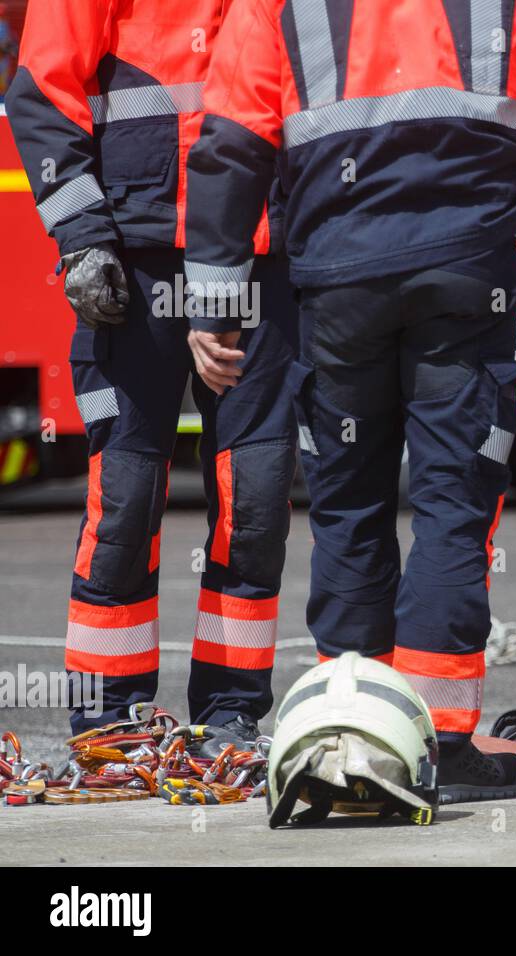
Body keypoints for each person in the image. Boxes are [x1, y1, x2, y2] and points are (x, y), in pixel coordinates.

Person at [183, 0, 516, 803]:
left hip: (335, 287)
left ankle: (353, 739)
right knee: (453, 509)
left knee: (348, 508)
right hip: (467, 275)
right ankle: (442, 747)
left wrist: (213, 306)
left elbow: (230, 146)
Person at [6, 0, 299, 744]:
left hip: (260, 261)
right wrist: (81, 238)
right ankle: (109, 715)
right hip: (136, 266)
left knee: (256, 500)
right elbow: (42, 91)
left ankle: (231, 710)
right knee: (126, 497)